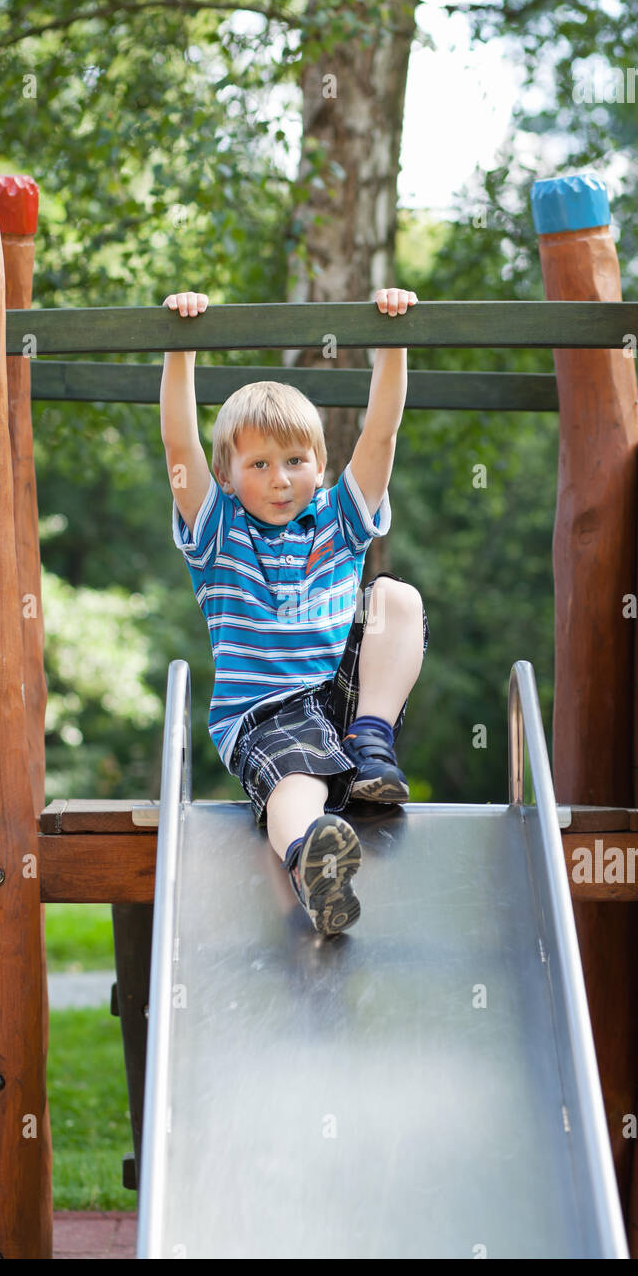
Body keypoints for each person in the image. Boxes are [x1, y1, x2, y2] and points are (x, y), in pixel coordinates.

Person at [160, 287, 429, 936]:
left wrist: (390, 344)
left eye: (295, 462)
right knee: (298, 779)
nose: (281, 479)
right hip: (267, 714)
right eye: (259, 464)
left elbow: (383, 434)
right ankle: (312, 857)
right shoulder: (220, 532)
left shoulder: (337, 517)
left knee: (397, 598)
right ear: (226, 476)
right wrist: (180, 348)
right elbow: (178, 445)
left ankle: (372, 742)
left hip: (336, 696)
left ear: (321, 465)